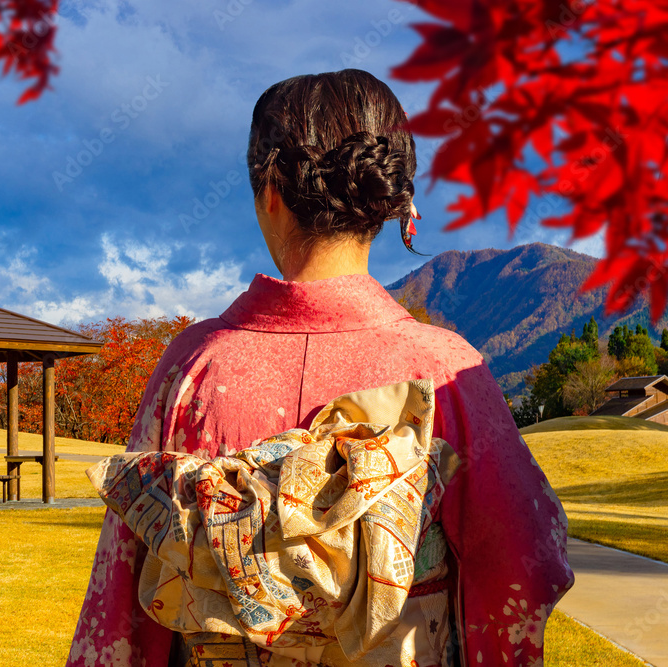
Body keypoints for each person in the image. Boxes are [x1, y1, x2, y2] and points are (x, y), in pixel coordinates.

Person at [66, 68, 573, 667]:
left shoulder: (195, 366)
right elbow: (523, 565)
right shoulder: (445, 370)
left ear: (269, 191)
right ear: (392, 203)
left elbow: (121, 597)